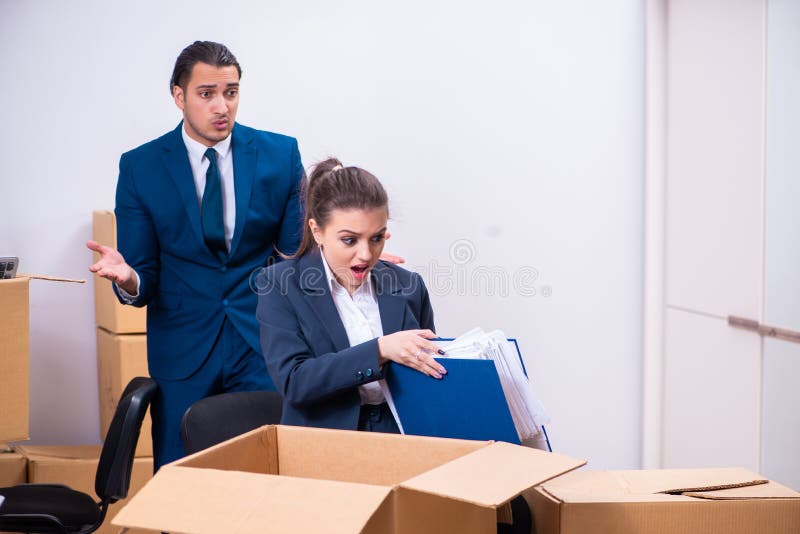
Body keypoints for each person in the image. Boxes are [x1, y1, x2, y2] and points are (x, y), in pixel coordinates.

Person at [87, 41, 304, 470]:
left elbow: (295, 258)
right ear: (179, 96)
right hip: (182, 349)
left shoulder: (281, 155)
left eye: (231, 92)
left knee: (268, 473)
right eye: (207, 93)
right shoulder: (140, 167)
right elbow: (142, 273)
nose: (222, 106)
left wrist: (351, 268)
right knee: (180, 475)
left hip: (260, 343)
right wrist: (129, 279)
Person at [256, 157, 447, 432]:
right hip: (323, 444)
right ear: (317, 231)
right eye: (349, 240)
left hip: (403, 437)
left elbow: (428, 370)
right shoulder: (280, 285)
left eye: (377, 238)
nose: (366, 254)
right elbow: (295, 382)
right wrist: (380, 350)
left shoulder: (409, 285)